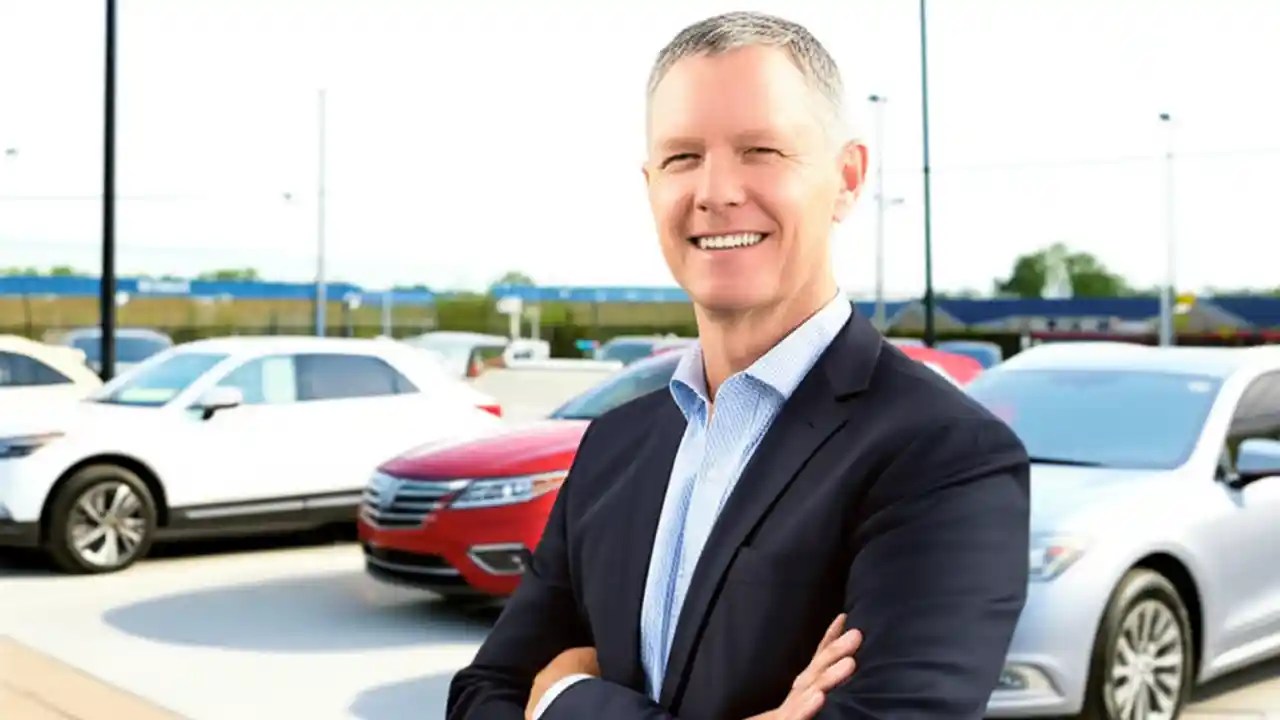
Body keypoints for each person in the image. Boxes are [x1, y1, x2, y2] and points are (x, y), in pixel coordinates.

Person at [446, 10, 1031, 720]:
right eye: (683, 157)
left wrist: (568, 698)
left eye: (761, 150)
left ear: (846, 179)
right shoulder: (615, 448)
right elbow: (481, 696)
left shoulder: (941, 456)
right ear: (651, 184)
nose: (716, 191)